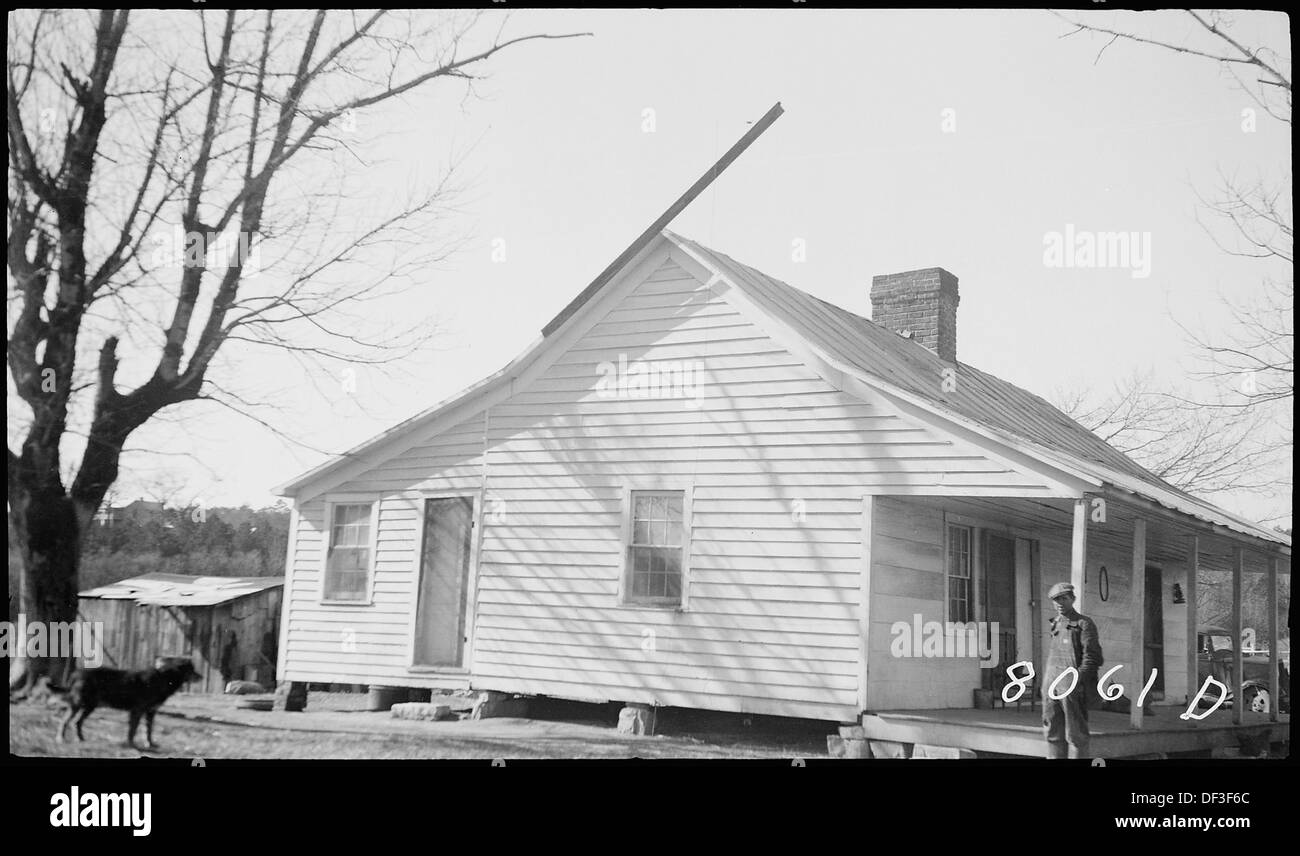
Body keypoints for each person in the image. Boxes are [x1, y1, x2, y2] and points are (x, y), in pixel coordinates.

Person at [1043, 582, 1103, 759]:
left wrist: (1077, 680)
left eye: (1064, 598)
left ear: (1073, 599)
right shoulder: (1055, 624)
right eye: (1056, 600)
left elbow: (1093, 658)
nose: (1060, 603)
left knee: (1076, 734)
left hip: (1072, 685)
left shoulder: (1084, 624)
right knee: (1052, 731)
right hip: (1051, 683)